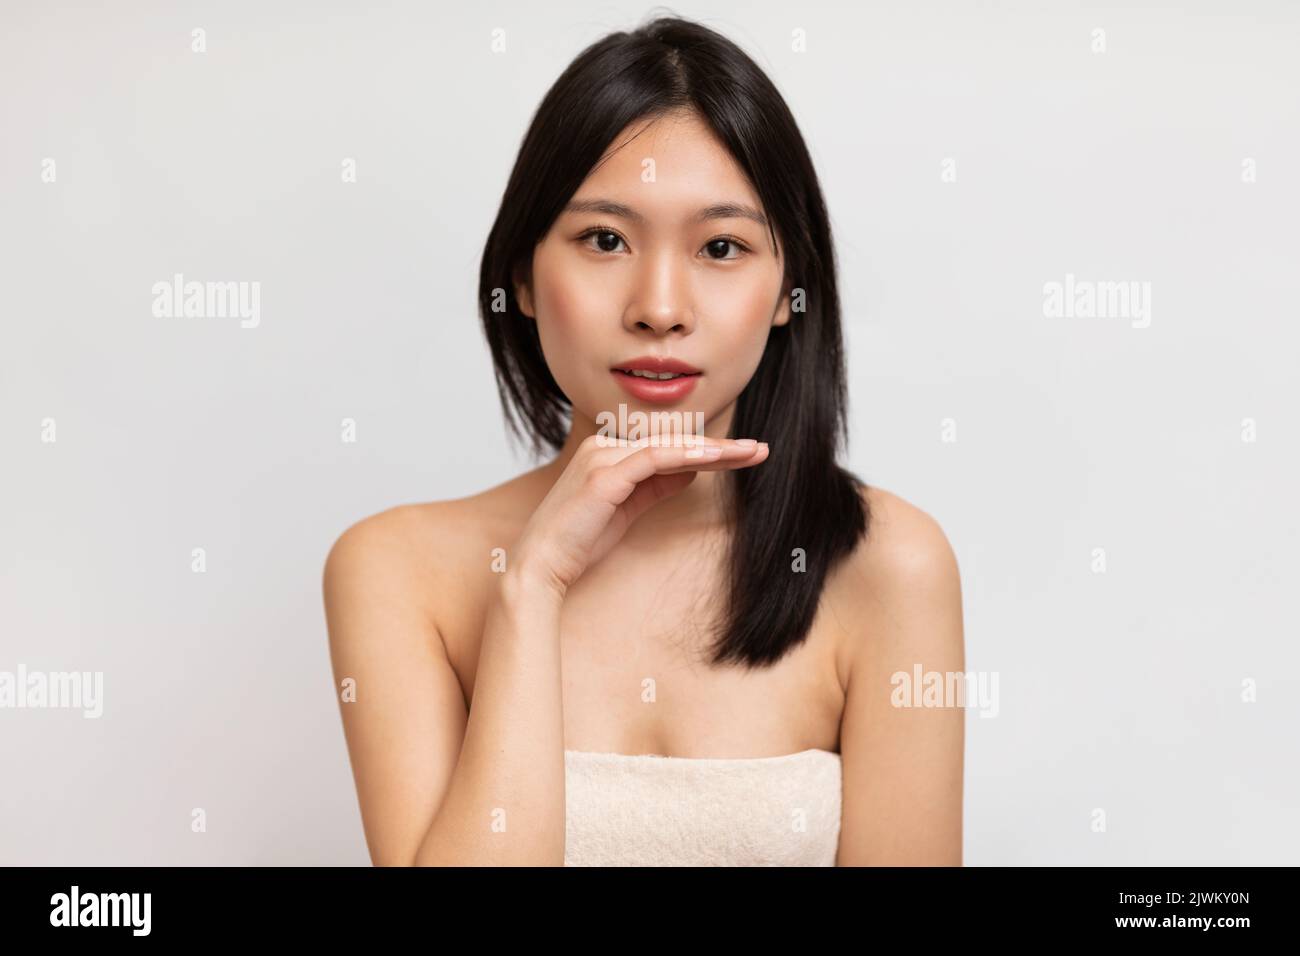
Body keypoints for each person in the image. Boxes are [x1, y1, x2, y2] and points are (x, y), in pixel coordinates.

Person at [323, 14, 964, 866]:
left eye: (722, 247)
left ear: (787, 292)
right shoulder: (397, 570)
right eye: (605, 239)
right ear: (521, 271)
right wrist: (533, 586)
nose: (659, 307)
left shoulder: (888, 565)